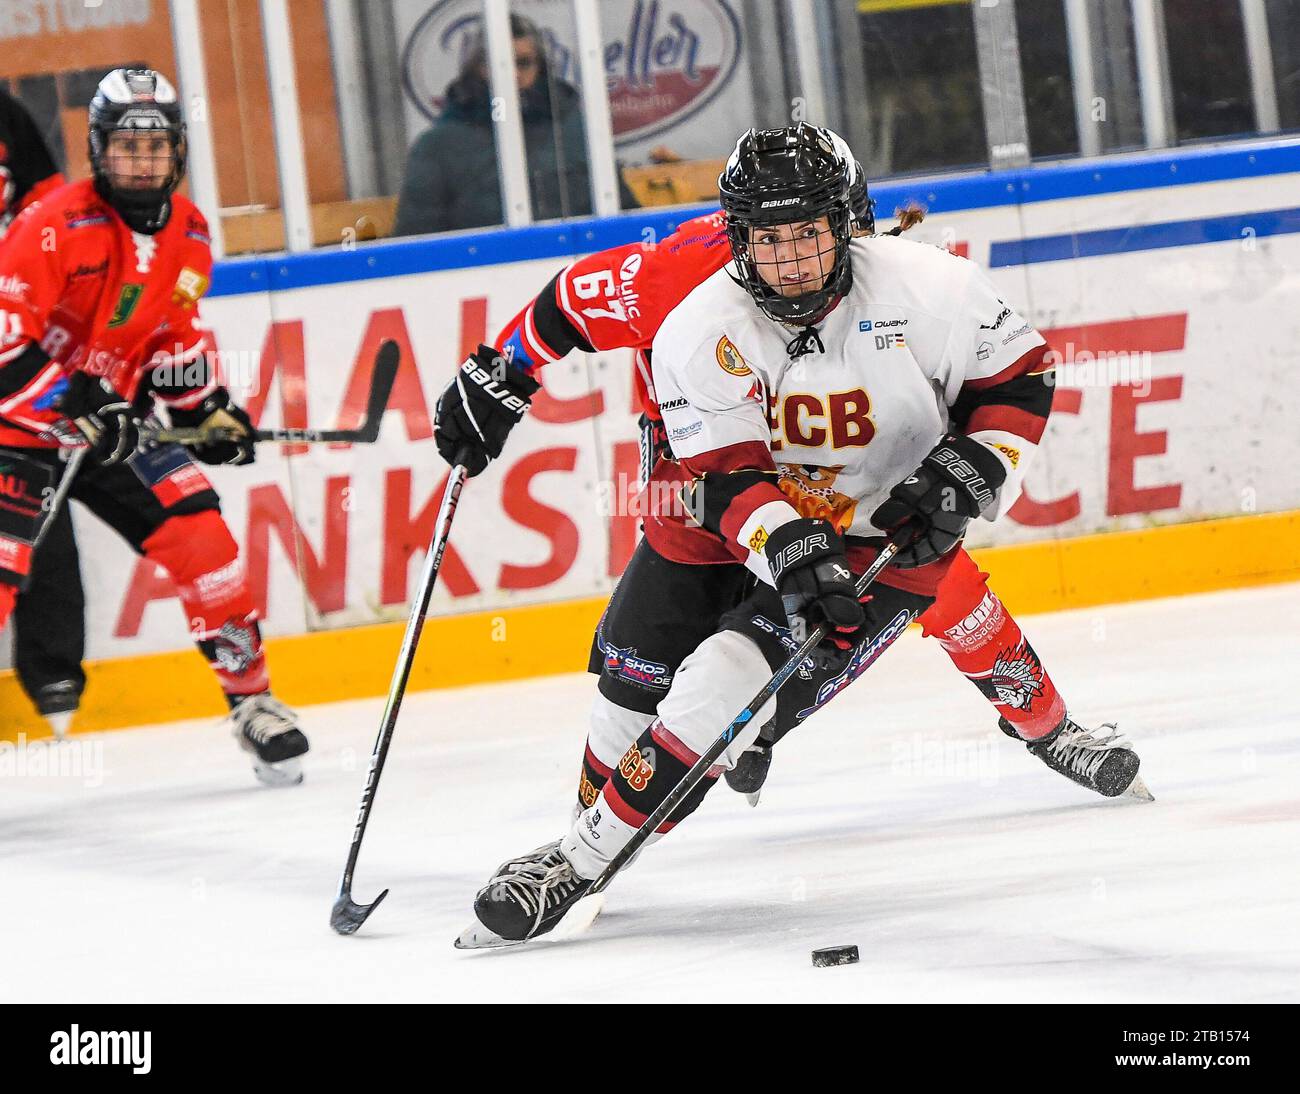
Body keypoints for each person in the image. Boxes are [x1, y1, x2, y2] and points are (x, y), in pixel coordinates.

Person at [440, 124, 1147, 943]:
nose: (792, 262)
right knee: (635, 685)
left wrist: (974, 468)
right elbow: (574, 310)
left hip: (861, 504)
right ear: (737, 236)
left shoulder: (924, 290)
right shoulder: (687, 293)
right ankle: (598, 831)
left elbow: (1016, 379)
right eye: (768, 239)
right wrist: (505, 371)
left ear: (849, 222)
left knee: (900, 606)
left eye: (811, 233)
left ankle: (1047, 726)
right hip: (710, 491)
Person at [0, 69, 308, 785]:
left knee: (205, 537)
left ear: (179, 152)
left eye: (155, 147)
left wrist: (208, 411)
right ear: (97, 150)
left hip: (112, 430)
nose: (141, 161)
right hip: (18, 430)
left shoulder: (192, 232)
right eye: (126, 147)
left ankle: (254, 703)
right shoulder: (48, 226)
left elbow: (173, 336)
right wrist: (70, 402)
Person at [0, 87, 87, 735]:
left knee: (31, 483)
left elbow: (47, 220)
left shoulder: (6, 115)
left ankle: (52, 666)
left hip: (12, 328)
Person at [393, 13, 637, 236]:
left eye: (523, 62)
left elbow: (625, 213)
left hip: (577, 269)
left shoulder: (576, 130)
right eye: (500, 62)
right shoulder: (438, 146)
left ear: (540, 67)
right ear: (478, 67)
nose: (513, 73)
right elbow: (415, 239)